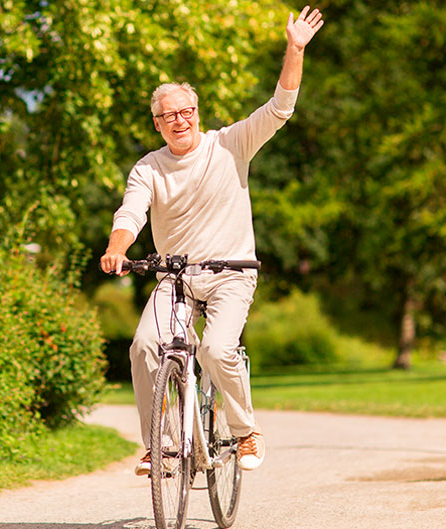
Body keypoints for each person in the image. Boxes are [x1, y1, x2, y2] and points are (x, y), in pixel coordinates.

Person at [100, 6, 324, 475]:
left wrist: (294, 48)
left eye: (186, 111)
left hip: (231, 274)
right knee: (143, 345)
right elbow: (131, 212)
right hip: (175, 277)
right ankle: (159, 447)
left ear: (197, 113)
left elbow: (280, 106)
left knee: (216, 349)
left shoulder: (231, 144)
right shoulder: (148, 167)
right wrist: (118, 247)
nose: (179, 120)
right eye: (168, 115)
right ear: (156, 123)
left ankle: (245, 432)